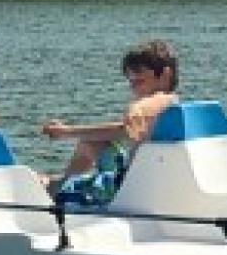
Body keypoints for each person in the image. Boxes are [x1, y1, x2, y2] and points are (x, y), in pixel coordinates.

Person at [42, 39, 179, 204]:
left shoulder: (162, 102)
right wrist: (67, 132)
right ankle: (60, 182)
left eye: (139, 81)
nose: (133, 88)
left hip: (127, 188)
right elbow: (121, 130)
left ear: (165, 75)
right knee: (90, 143)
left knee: (67, 189)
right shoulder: (168, 108)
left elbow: (154, 103)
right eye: (131, 82)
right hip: (132, 174)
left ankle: (56, 190)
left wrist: (137, 109)